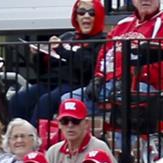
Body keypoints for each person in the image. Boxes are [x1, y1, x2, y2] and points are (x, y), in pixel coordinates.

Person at [7, 0, 106, 129]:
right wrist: (39, 56)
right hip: (49, 82)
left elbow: (87, 67)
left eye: (92, 13)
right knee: (19, 99)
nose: (86, 16)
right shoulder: (67, 36)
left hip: (75, 84)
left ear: (98, 17)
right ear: (76, 16)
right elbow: (42, 71)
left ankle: (35, 139)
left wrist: (61, 50)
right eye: (81, 12)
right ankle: (16, 136)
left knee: (46, 101)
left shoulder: (102, 41)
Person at [81, 0, 163, 114]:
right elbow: (105, 53)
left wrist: (127, 77)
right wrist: (98, 78)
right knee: (70, 100)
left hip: (145, 85)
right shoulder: (123, 24)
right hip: (111, 83)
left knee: (126, 111)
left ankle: (123, 130)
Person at [42, 95, 113, 163]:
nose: (70, 125)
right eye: (65, 121)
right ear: (59, 125)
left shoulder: (99, 147)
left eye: (75, 121)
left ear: (86, 123)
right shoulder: (53, 151)